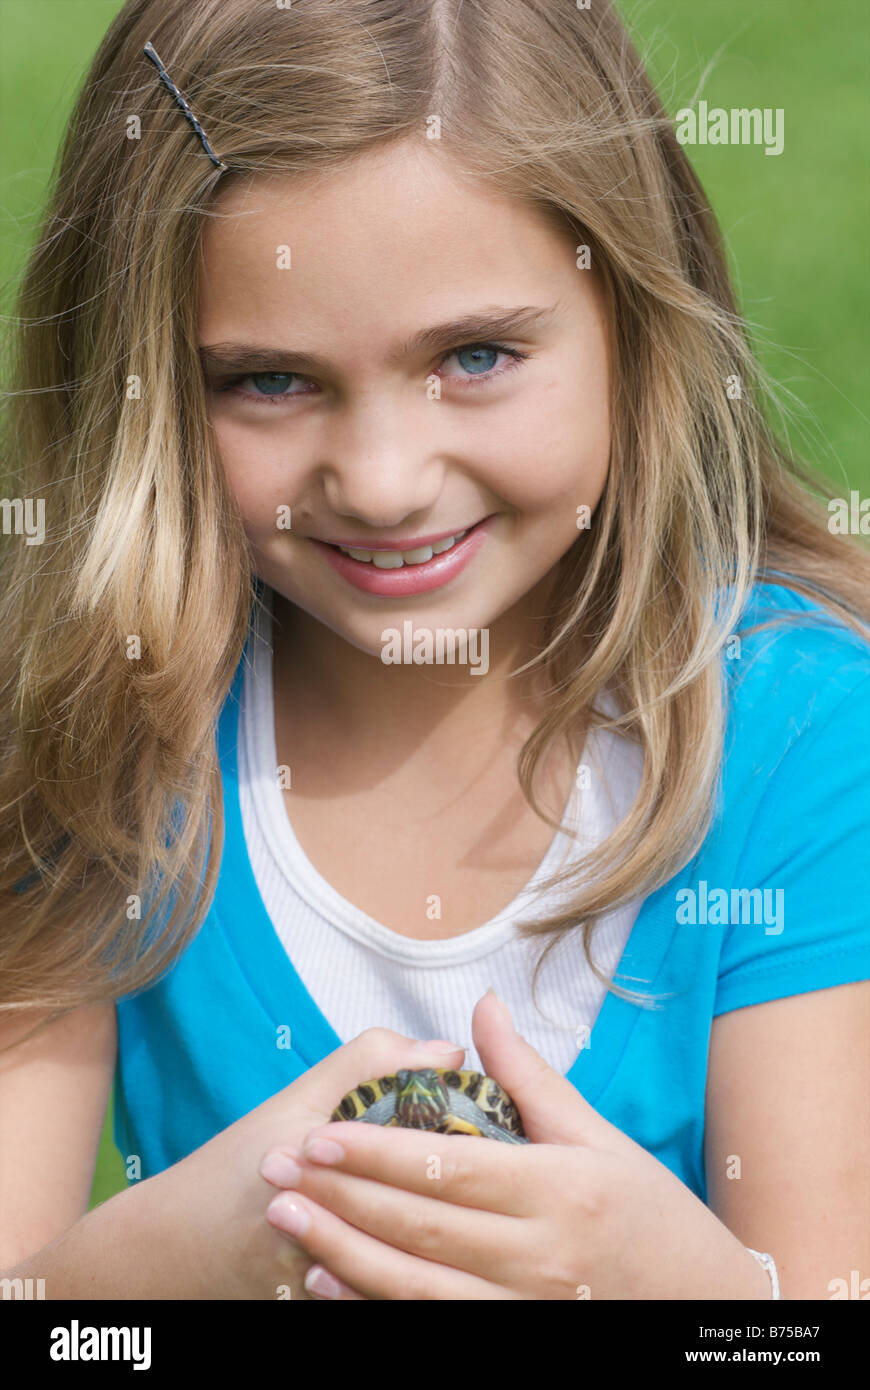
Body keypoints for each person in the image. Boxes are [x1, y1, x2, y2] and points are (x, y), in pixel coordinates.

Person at [1, 0, 868, 1302]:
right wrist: (176, 1263)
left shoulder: (796, 739)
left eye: (474, 356)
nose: (385, 481)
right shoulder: (85, 736)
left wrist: (671, 1285)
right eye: (268, 380)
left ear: (636, 328)